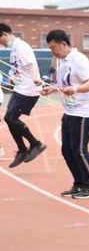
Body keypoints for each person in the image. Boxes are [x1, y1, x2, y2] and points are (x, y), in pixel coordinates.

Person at [40, 30, 89, 199]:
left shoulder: (78, 60)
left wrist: (75, 89)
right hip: (69, 111)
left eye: (54, 48)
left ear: (64, 44)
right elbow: (64, 83)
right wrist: (52, 88)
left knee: (79, 150)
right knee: (67, 150)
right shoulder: (61, 61)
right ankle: (79, 183)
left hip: (83, 113)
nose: (53, 52)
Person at [0, 24, 47, 168]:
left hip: (29, 89)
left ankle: (35, 144)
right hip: (20, 87)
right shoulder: (14, 48)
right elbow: (18, 68)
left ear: (4, 34)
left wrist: (35, 78)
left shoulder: (21, 46)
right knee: (9, 118)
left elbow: (32, 63)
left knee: (11, 118)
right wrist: (13, 76)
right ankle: (22, 149)